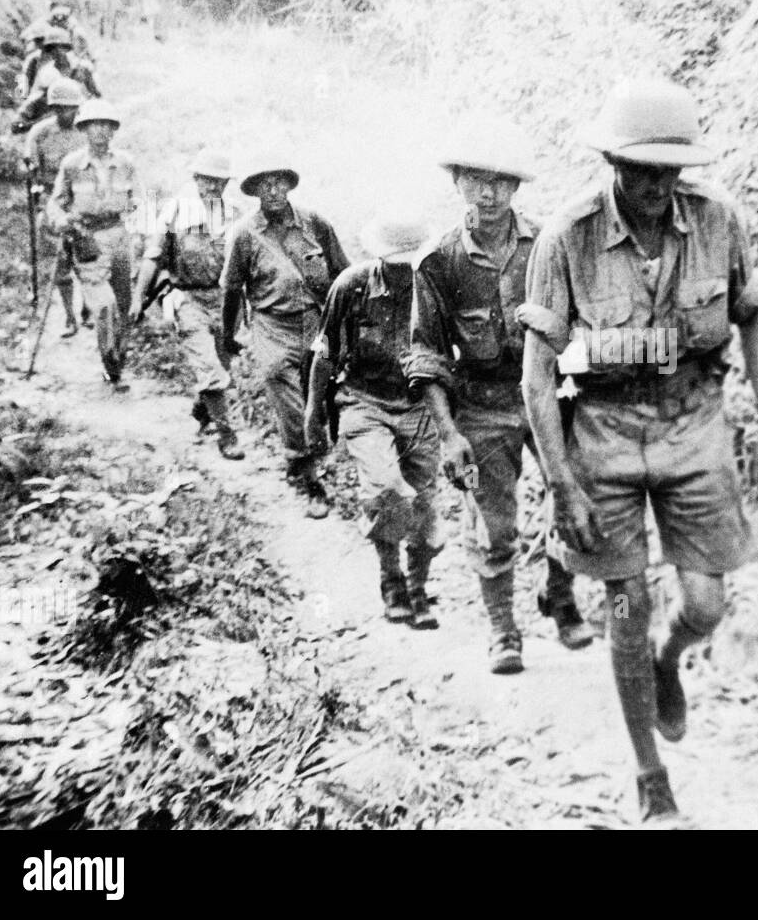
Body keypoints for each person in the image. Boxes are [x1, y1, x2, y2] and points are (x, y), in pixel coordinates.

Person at [521, 79, 758, 822]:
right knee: (627, 602)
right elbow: (538, 379)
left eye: (668, 171)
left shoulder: (719, 221)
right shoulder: (565, 238)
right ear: (610, 162)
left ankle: (671, 660)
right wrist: (561, 482)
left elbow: (756, 321)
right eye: (639, 169)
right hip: (602, 432)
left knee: (706, 602)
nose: (654, 185)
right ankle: (648, 770)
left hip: (694, 423)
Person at [408, 116, 595, 675]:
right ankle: (502, 629)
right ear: (457, 183)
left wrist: (586, 385)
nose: (487, 193)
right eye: (474, 180)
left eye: (500, 182)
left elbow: (582, 322)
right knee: (494, 524)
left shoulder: (548, 245)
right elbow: (427, 356)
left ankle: (560, 595)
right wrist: (449, 435)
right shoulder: (438, 262)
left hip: (552, 396)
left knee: (581, 495)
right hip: (483, 404)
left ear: (516, 188)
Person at [306, 217, 441, 626]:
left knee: (423, 500)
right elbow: (326, 351)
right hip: (365, 401)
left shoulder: (434, 287)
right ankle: (391, 579)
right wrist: (315, 409)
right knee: (385, 488)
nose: (404, 272)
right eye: (395, 263)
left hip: (420, 407)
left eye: (411, 262)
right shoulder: (351, 285)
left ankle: (418, 588)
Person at [220, 160, 349, 516]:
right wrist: (228, 334)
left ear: (289, 186)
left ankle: (317, 445)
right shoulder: (245, 234)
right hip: (271, 324)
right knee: (281, 384)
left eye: (279, 183)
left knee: (317, 396)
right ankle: (306, 474)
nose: (274, 191)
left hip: (317, 321)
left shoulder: (314, 223)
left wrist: (353, 321)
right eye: (265, 185)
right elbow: (232, 289)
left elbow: (343, 272)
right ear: (255, 191)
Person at [130, 149, 245, 460]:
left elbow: (247, 263)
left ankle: (203, 408)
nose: (213, 187)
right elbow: (154, 256)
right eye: (207, 180)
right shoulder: (176, 211)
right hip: (187, 297)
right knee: (210, 368)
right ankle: (227, 434)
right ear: (196, 179)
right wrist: (139, 298)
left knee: (222, 366)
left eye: (219, 182)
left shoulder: (235, 214)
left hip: (225, 300)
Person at [46, 99, 142, 392]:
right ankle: (109, 357)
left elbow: (140, 201)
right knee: (103, 304)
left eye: (105, 125)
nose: (99, 131)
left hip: (120, 237)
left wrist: (142, 234)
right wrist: (60, 220)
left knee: (123, 305)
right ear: (84, 129)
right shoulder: (72, 165)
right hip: (87, 240)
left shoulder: (125, 163)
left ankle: (117, 364)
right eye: (93, 125)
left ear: (113, 130)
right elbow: (55, 202)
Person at [22, 77, 87, 337]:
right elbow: (30, 166)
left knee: (85, 258)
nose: (65, 113)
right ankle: (70, 317)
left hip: (80, 203)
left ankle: (88, 308)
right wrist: (32, 177)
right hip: (52, 203)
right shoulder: (40, 133)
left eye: (70, 108)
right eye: (59, 108)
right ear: (52, 108)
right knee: (60, 264)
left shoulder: (86, 132)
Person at [16, 27, 100, 128]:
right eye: (52, 48)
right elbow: (37, 97)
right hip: (57, 108)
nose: (58, 51)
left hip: (81, 107)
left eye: (62, 47)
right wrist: (23, 114)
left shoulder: (82, 67)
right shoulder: (47, 72)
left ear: (67, 48)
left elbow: (96, 93)